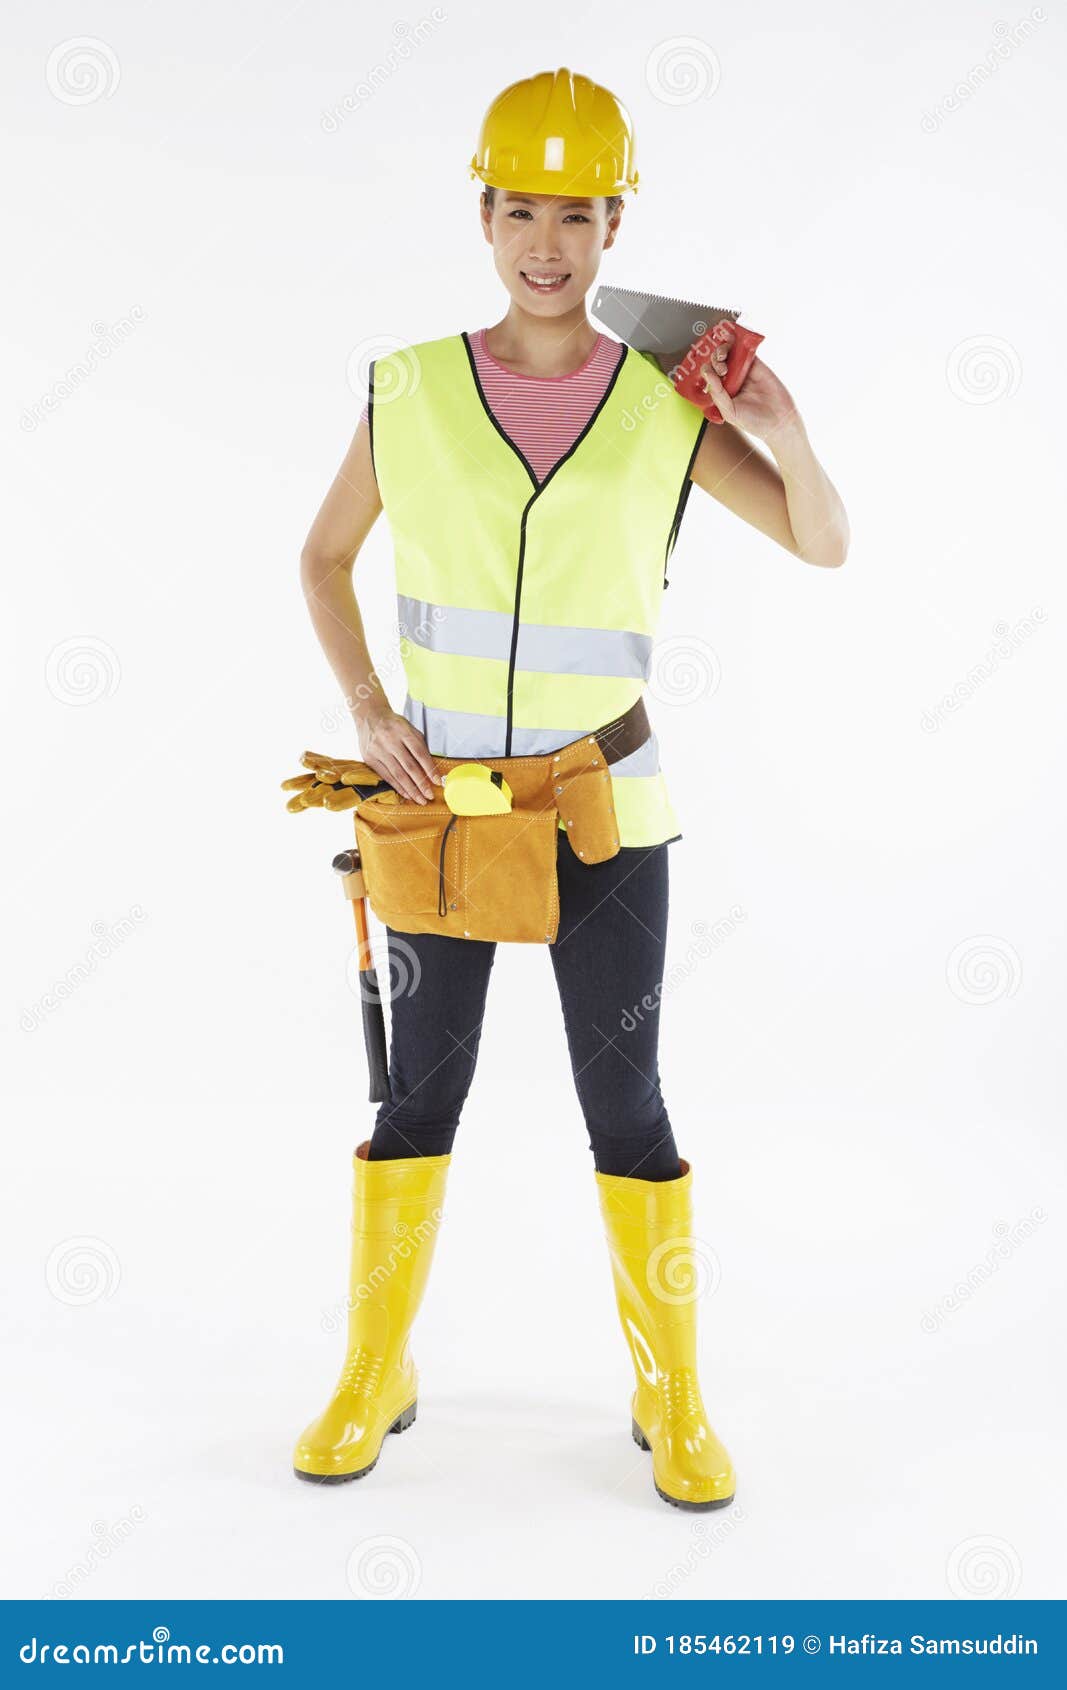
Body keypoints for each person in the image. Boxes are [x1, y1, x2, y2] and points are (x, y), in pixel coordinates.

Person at [292, 67, 849, 1509]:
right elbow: (322, 558)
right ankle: (374, 1370)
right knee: (417, 1097)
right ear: (484, 217)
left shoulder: (667, 401)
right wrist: (368, 710)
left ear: (617, 226)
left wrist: (784, 425)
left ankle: (672, 1394)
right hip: (444, 814)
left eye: (580, 215)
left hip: (607, 806)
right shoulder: (407, 386)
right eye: (524, 211)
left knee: (628, 1104)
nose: (550, 243)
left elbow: (823, 541)